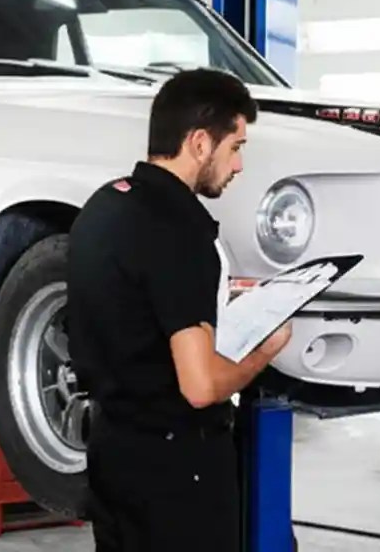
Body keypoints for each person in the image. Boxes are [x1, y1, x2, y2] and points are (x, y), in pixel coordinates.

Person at [66, 67, 293, 552]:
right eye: (235, 147)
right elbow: (200, 386)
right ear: (199, 143)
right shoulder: (181, 232)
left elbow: (134, 307)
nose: (238, 165)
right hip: (178, 473)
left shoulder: (104, 207)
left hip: (112, 454)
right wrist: (265, 350)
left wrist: (214, 300)